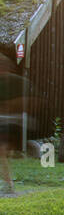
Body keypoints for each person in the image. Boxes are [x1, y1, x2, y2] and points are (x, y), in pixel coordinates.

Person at [0, 48, 24, 195]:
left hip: (6, 122)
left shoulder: (10, 83)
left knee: (2, 153)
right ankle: (9, 184)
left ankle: (9, 184)